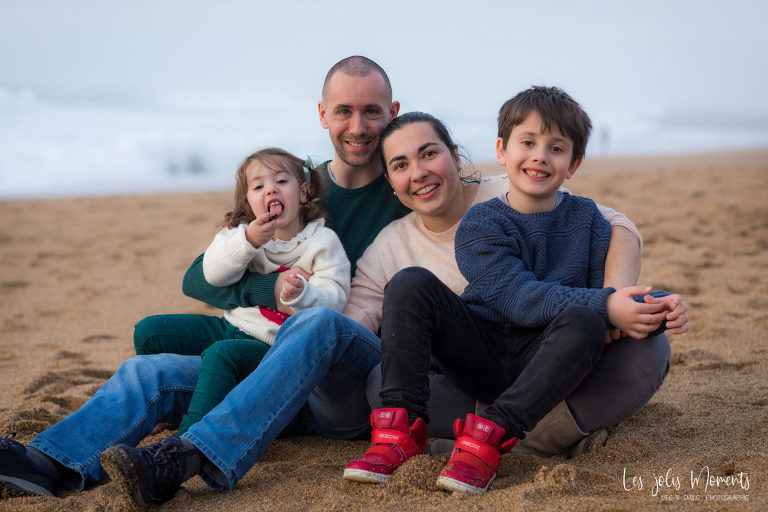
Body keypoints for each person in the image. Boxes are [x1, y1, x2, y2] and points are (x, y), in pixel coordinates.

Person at [0, 57, 649, 509]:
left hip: (357, 364)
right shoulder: (298, 187)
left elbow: (604, 217)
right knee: (150, 371)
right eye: (346, 112)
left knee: (319, 326)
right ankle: (51, 466)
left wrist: (615, 295)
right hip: (292, 342)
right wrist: (266, 293)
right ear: (323, 115)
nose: (362, 128)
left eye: (376, 114)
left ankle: (193, 454)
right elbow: (206, 278)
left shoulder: (477, 196)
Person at [344, 90, 688, 494]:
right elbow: (517, 296)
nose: (540, 156)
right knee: (409, 282)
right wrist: (605, 306)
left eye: (555, 148)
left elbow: (612, 274)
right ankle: (402, 435)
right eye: (528, 143)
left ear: (573, 163)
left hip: (552, 362)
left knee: (594, 323)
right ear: (502, 152)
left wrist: (654, 304)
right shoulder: (479, 224)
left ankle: (489, 438)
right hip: (483, 354)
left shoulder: (588, 220)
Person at [133, 148, 350, 434]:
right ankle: (170, 407)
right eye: (258, 186)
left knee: (222, 355)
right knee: (149, 331)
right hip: (230, 325)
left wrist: (302, 294)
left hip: (272, 346)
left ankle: (188, 437)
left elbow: (335, 297)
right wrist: (247, 242)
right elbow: (212, 274)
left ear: (304, 192)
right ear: (248, 202)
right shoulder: (239, 236)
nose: (271, 190)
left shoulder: (322, 242)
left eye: (282, 182)